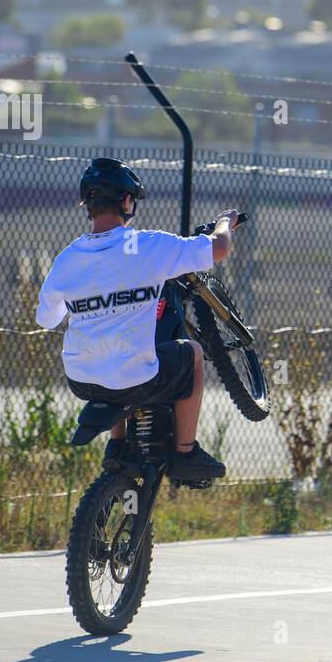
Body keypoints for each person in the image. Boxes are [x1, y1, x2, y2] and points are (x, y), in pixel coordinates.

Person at [35, 157, 238, 481]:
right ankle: (185, 451)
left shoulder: (67, 258)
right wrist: (225, 221)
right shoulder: (146, 245)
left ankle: (118, 445)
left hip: (82, 379)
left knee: (114, 352)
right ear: (127, 202)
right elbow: (220, 248)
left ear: (87, 204)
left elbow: (47, 319)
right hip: (134, 378)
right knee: (193, 354)